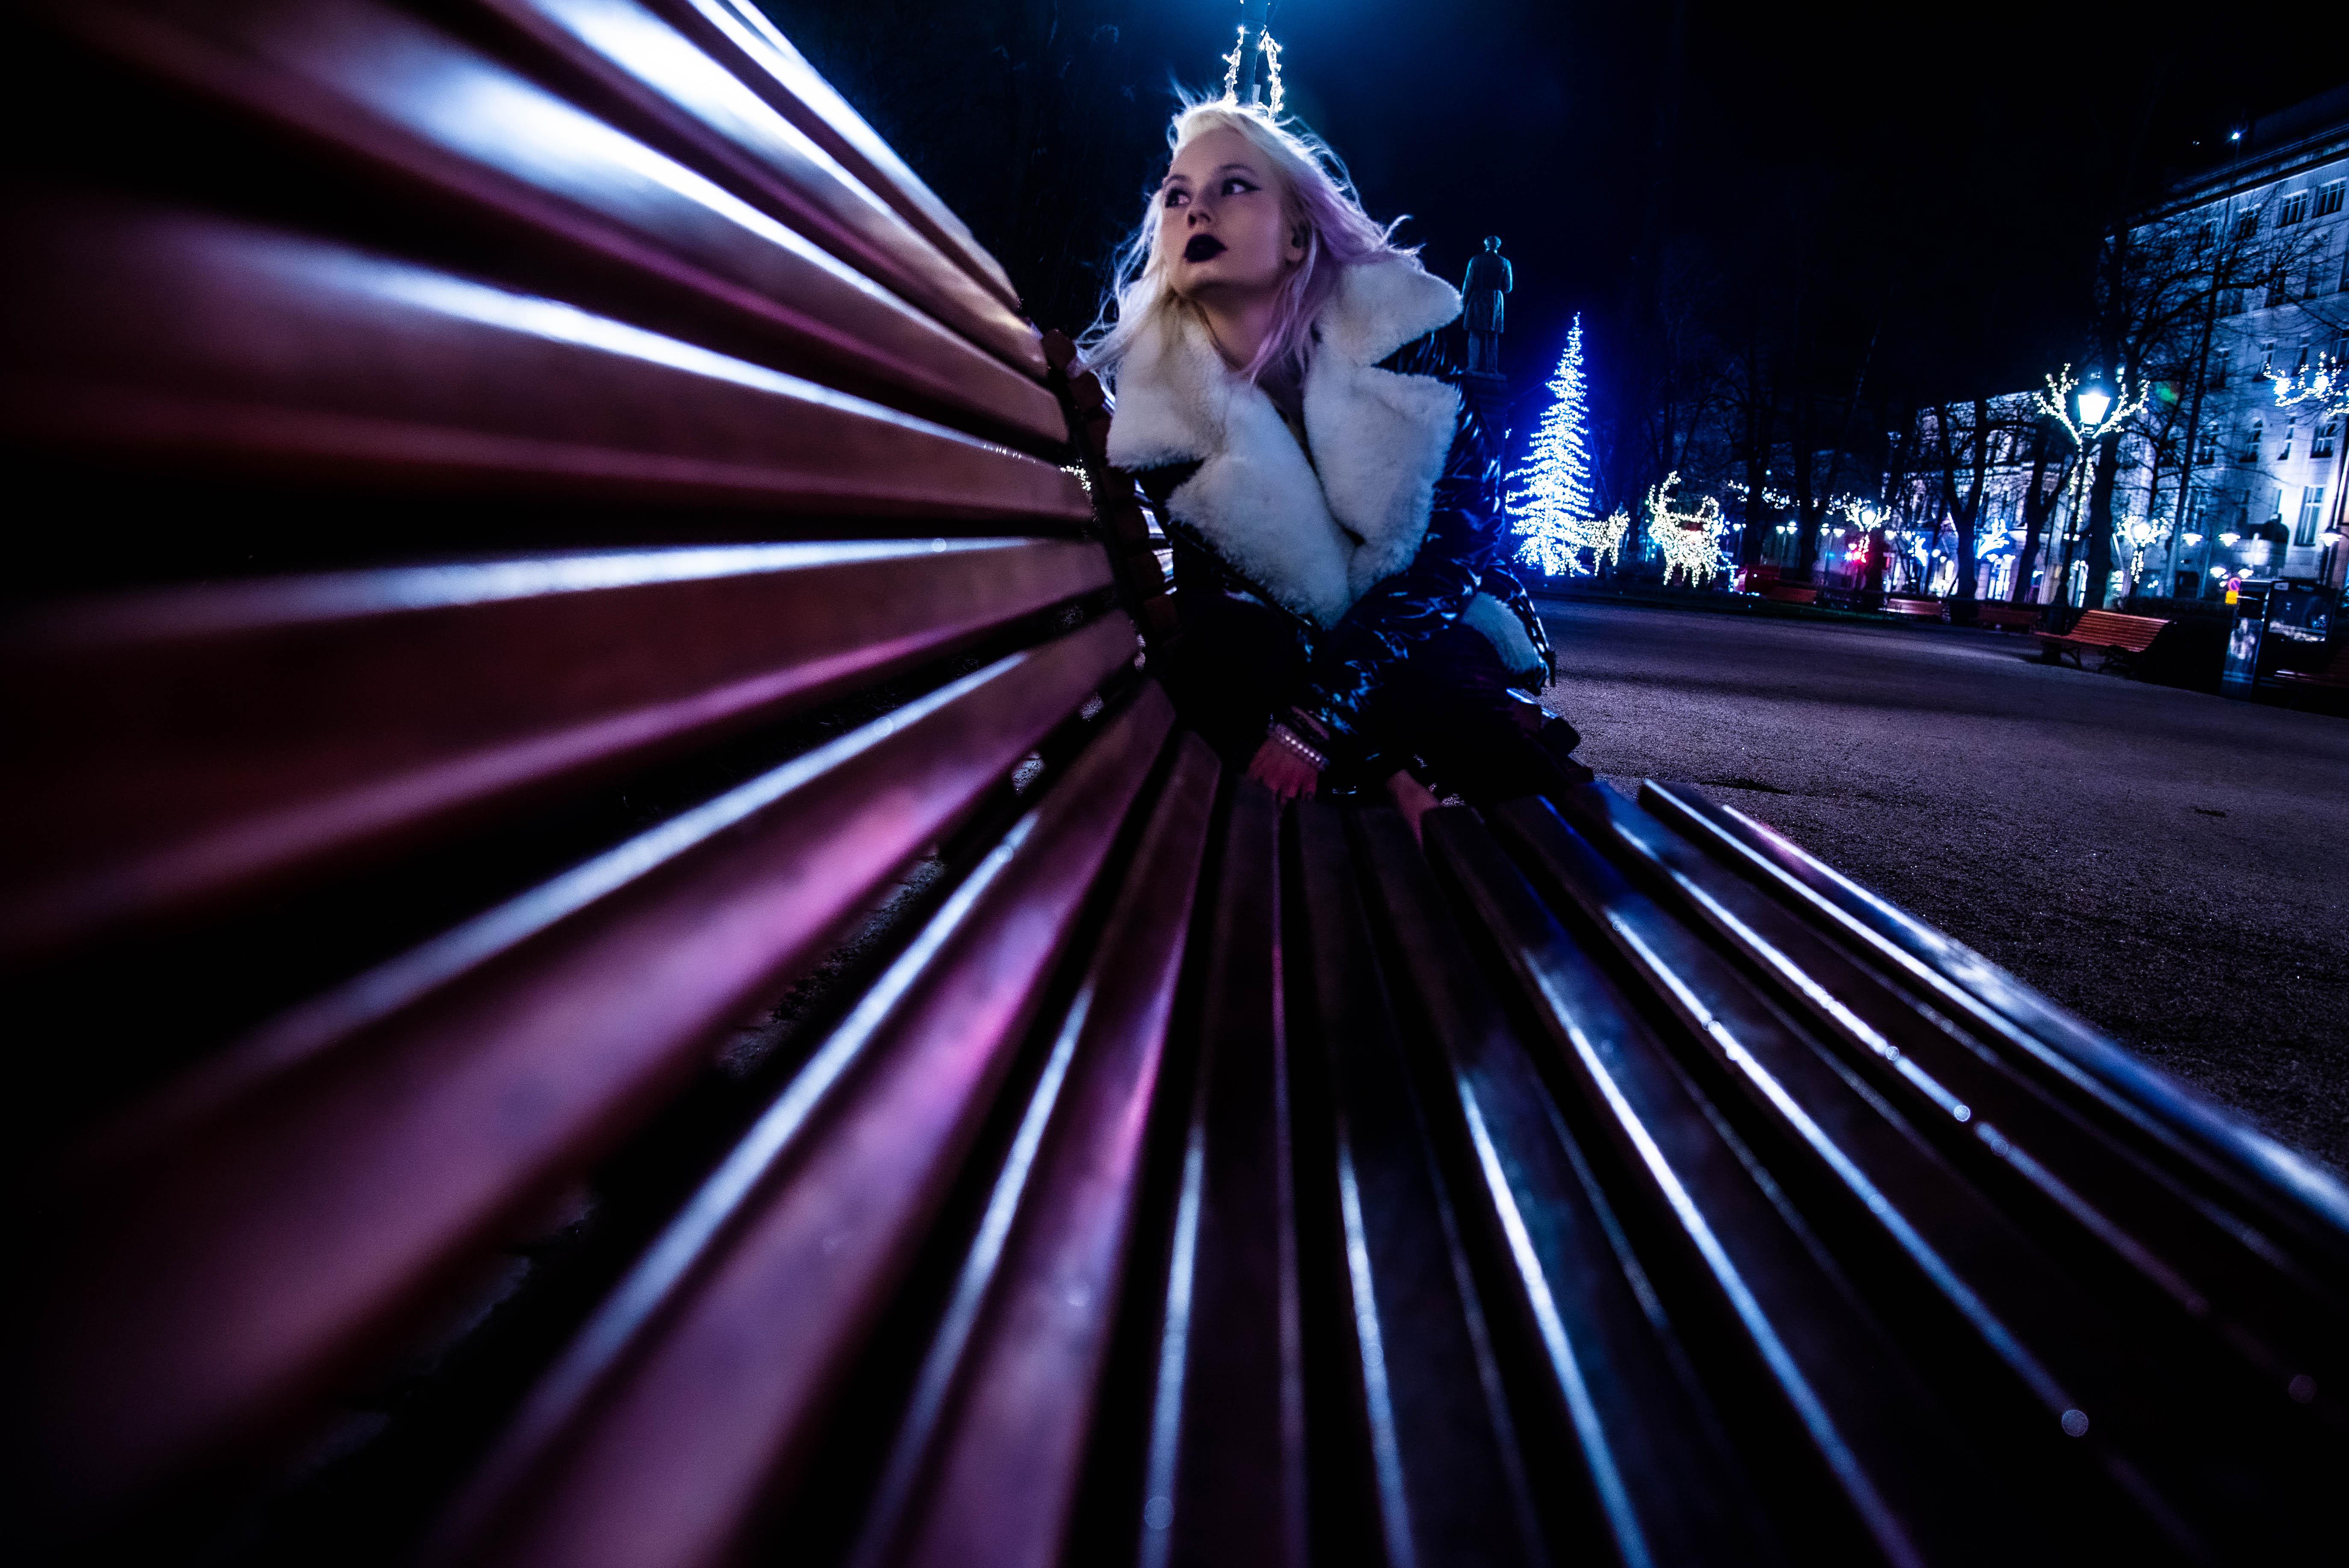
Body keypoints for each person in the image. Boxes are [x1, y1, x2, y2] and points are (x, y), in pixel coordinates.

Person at [1080, 99, 1588, 829]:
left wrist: (1321, 721)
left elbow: (1448, 558)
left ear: (1295, 235)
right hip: (1307, 669)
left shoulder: (1400, 345)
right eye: (1177, 195)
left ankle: (1584, 879)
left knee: (1441, 675)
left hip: (1438, 619)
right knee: (1228, 650)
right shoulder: (1166, 414)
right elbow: (1234, 622)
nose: (1195, 211)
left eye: (1232, 186)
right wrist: (1384, 762)